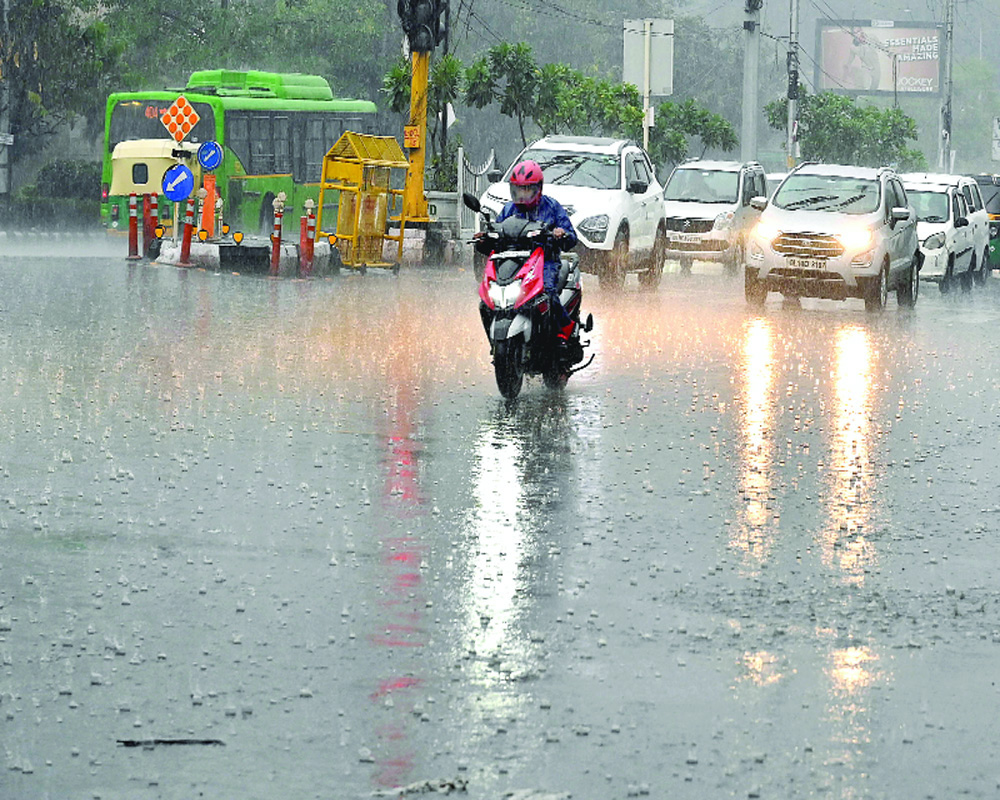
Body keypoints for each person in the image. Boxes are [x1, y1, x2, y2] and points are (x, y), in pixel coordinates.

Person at [479, 159, 579, 347]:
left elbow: (571, 237)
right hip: (513, 262)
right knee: (486, 300)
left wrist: (561, 233)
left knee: (548, 292)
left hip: (545, 260)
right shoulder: (508, 209)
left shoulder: (552, 207)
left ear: (538, 189)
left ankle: (564, 327)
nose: (522, 195)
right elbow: (497, 231)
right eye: (518, 190)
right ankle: (495, 341)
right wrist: (486, 237)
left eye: (527, 190)